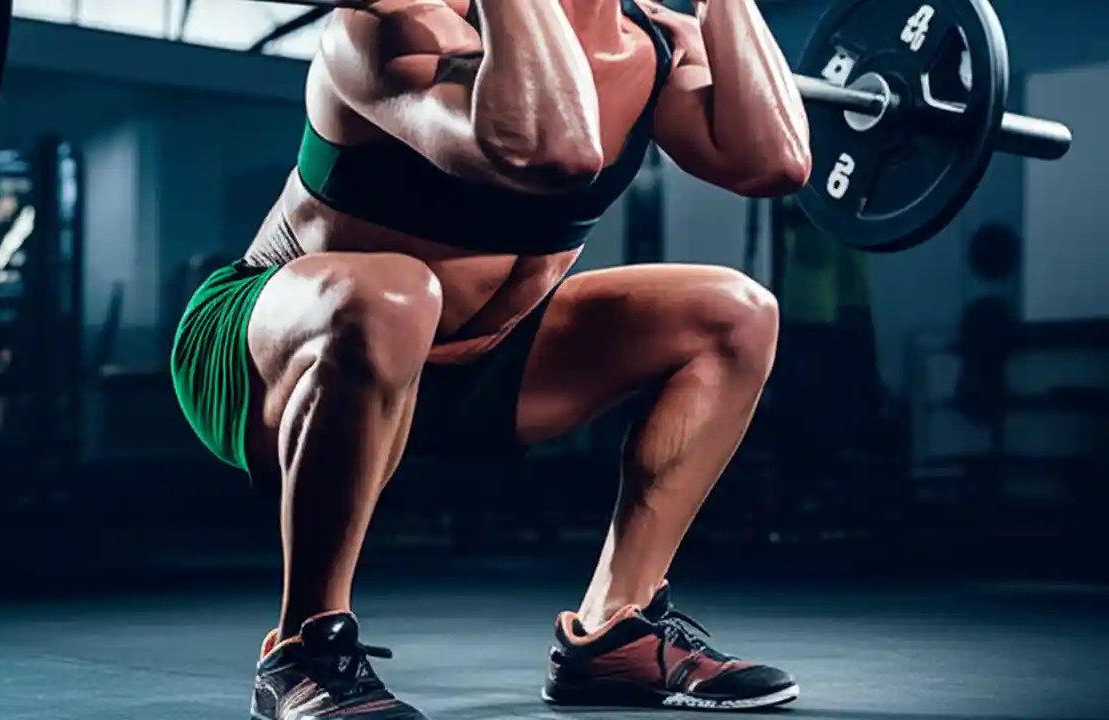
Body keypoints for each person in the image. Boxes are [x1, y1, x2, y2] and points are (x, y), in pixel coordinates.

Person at [171, 0, 810, 716]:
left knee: (735, 313)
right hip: (279, 354)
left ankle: (613, 633)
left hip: (478, 362)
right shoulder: (394, 26)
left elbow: (777, 162)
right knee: (396, 294)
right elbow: (548, 150)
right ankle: (305, 649)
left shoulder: (655, 47)